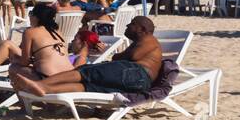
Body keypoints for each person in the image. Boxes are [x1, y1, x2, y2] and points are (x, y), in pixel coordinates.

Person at [11, 16, 163, 98]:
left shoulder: (148, 39)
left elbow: (133, 56)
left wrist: (121, 55)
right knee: (86, 86)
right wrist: (120, 56)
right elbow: (120, 58)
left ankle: (42, 84)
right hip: (135, 80)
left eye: (132, 24)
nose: (127, 25)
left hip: (137, 74)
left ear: (142, 29)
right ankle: (47, 89)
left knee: (85, 71)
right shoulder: (140, 41)